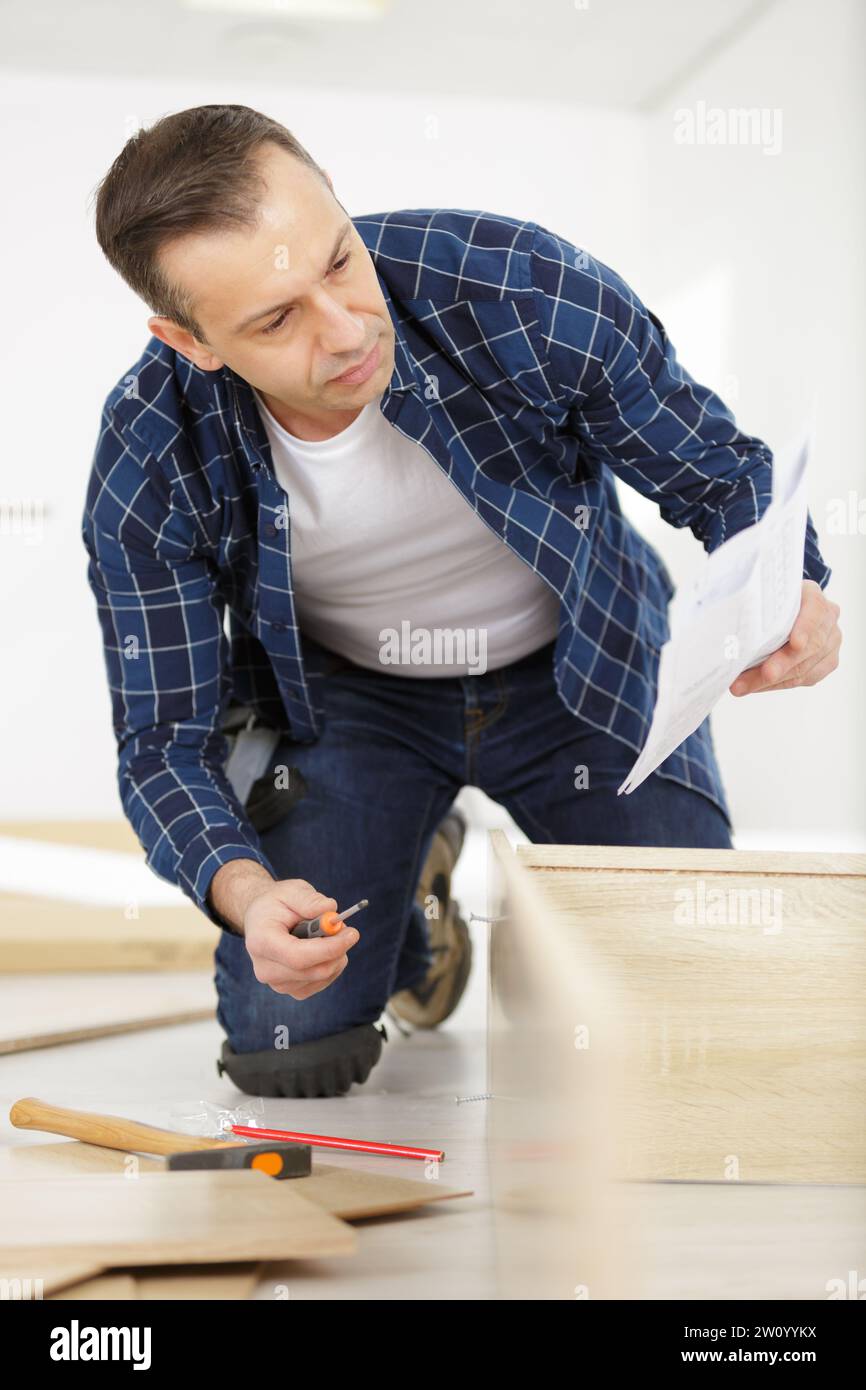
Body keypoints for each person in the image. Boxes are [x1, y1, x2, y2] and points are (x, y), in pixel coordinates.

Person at [83, 104, 841, 1097]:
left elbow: (717, 471)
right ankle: (413, 896)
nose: (346, 328)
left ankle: (425, 857)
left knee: (681, 992)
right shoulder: (150, 451)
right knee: (284, 1042)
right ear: (189, 340)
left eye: (338, 260)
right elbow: (162, 741)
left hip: (581, 666)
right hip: (352, 704)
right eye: (275, 319)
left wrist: (793, 587)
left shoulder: (512, 286)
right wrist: (249, 891)